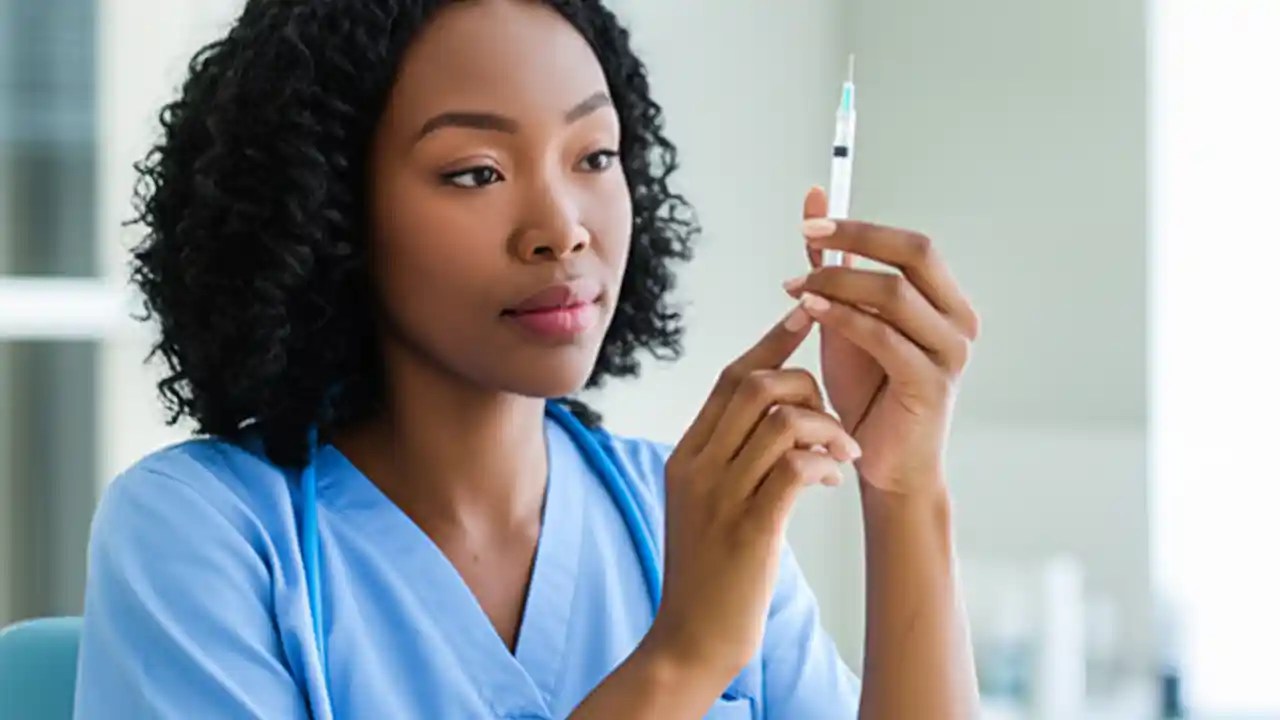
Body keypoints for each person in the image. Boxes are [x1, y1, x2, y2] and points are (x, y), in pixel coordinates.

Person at [73, 0, 982, 717]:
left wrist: (903, 492)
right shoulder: (202, 535)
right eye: (476, 172)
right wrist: (685, 658)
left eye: (594, 155)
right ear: (327, 209)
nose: (562, 229)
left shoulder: (701, 511)